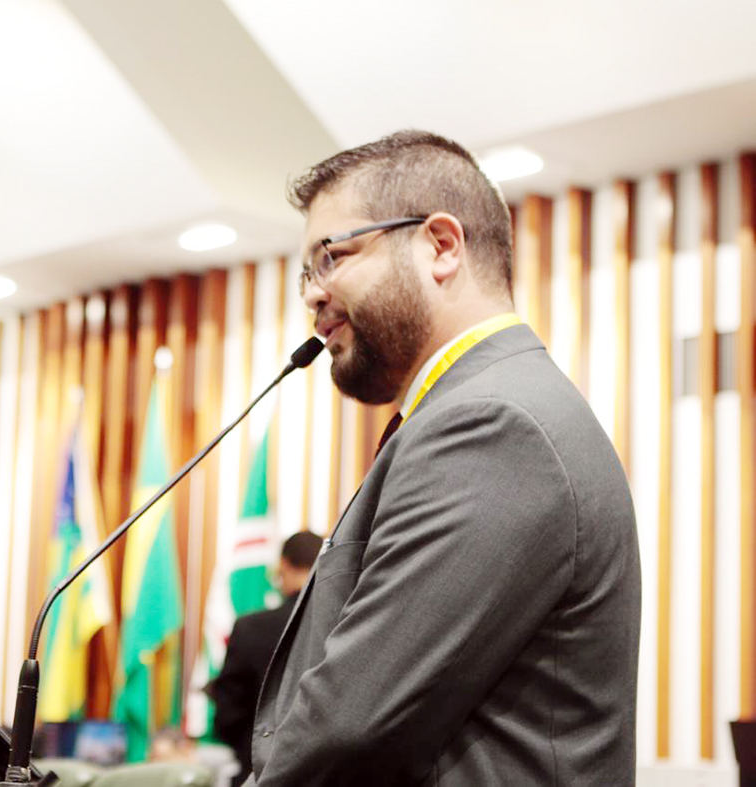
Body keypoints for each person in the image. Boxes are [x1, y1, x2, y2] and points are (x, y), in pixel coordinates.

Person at [246, 131, 641, 785]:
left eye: (331, 256)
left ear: (439, 245)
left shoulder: (491, 423)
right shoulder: (485, 405)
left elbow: (348, 727)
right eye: (305, 274)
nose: (311, 294)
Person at [209, 531, 322, 787]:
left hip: (258, 773)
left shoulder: (250, 628)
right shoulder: (341, 626)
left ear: (283, 565)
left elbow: (227, 717)